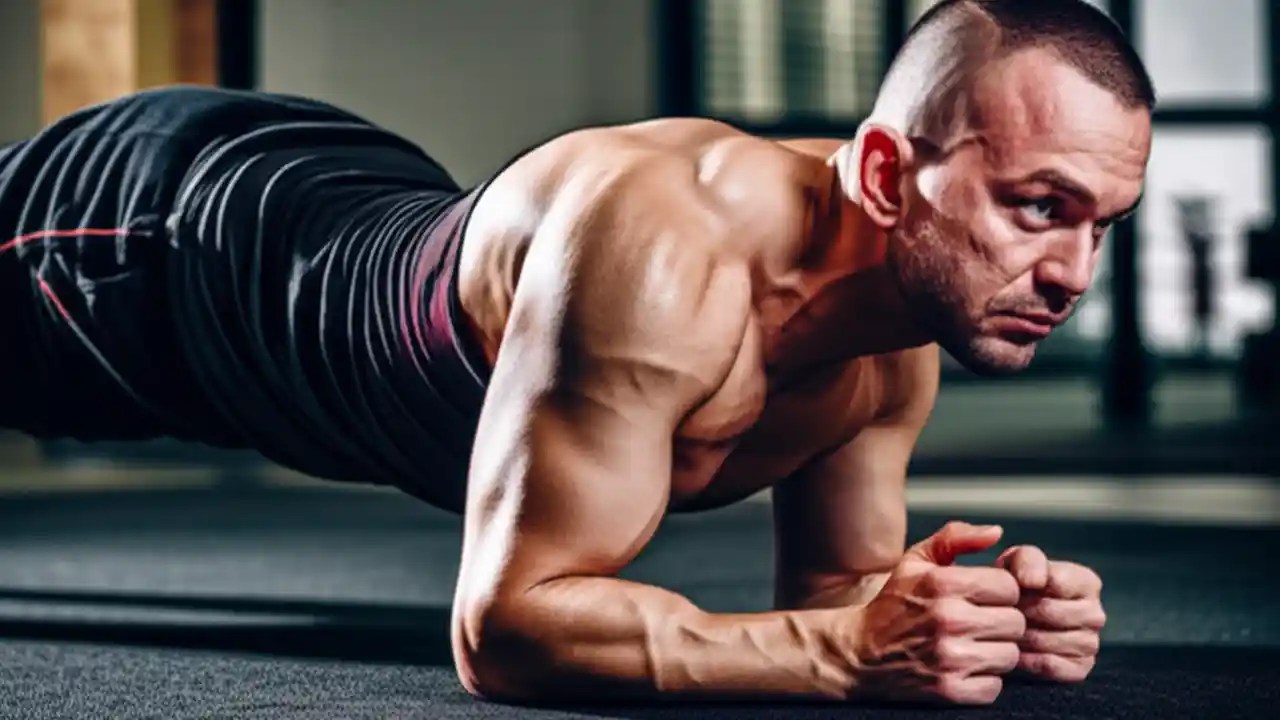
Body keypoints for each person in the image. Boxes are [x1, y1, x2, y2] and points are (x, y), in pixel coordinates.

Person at [0, 0, 1150, 707]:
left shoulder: (890, 351)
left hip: (344, 209)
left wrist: (963, 615)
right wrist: (843, 653)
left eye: (1099, 223)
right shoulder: (662, 257)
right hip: (153, 244)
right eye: (1037, 207)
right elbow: (505, 630)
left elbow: (834, 600)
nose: (1071, 274)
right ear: (891, 176)